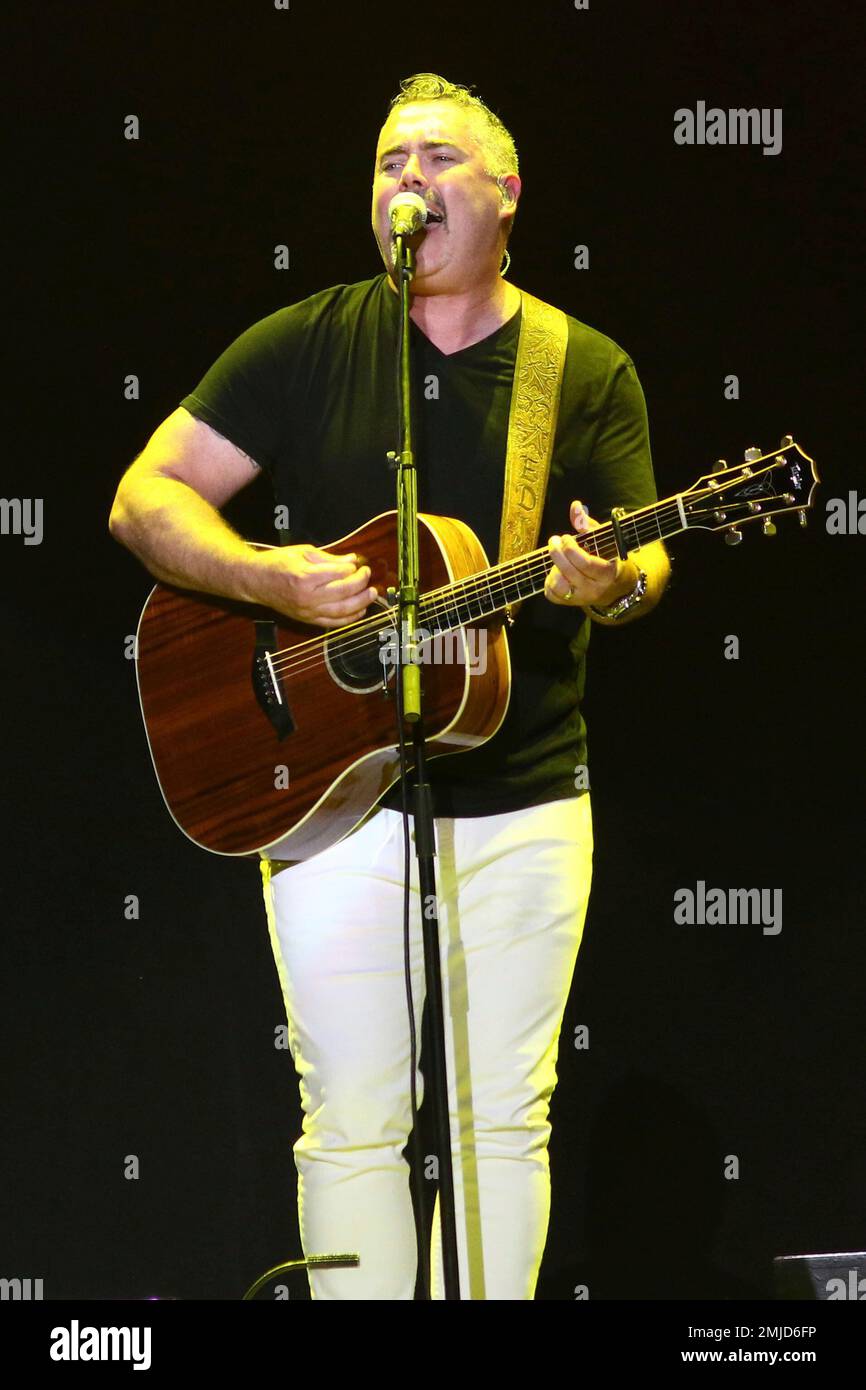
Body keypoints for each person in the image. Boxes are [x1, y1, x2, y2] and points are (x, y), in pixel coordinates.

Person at [109, 72, 671, 1300]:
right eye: (384, 164)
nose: (403, 183)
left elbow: (643, 563)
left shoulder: (581, 369)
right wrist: (267, 581)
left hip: (522, 793)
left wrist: (605, 585)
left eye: (434, 160)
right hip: (330, 794)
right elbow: (143, 498)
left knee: (499, 1117)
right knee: (352, 1111)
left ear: (508, 194)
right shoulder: (307, 339)